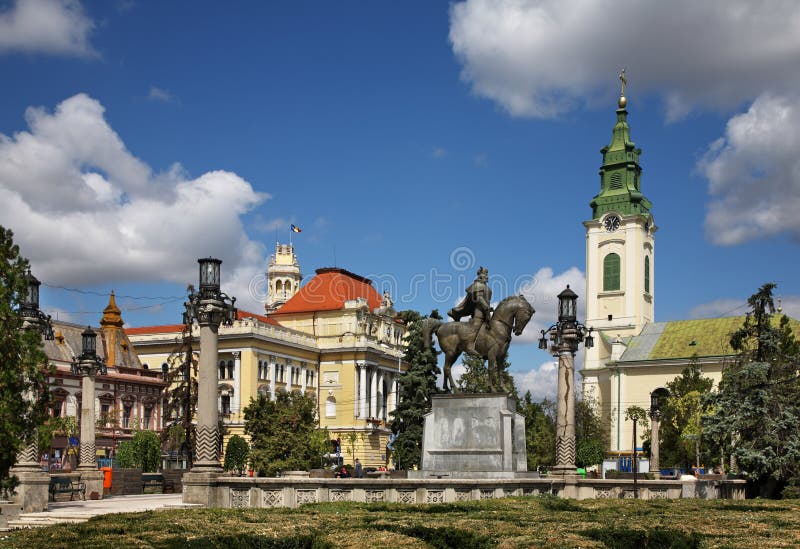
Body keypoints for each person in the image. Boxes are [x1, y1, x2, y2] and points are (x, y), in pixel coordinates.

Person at [448, 266, 493, 355]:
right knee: (475, 327)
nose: (487, 276)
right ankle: (469, 344)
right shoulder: (477, 285)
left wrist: (488, 311)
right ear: (480, 275)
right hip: (479, 313)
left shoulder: (488, 288)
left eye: (487, 274)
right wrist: (486, 307)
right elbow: (479, 298)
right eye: (485, 274)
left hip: (487, 313)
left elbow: (487, 301)